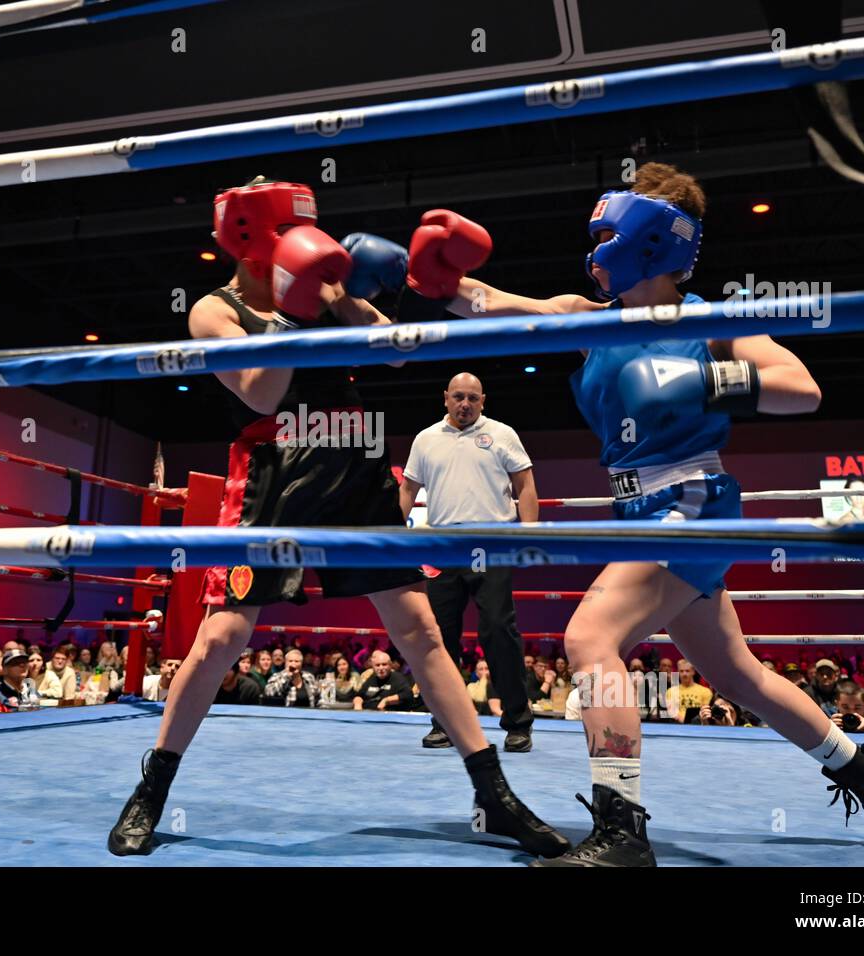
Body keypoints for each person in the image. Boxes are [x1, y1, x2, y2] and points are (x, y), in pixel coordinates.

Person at [403, 162, 864, 865]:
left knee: (589, 639)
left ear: (651, 241)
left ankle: (622, 831)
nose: (596, 247)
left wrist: (706, 377)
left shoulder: (709, 322)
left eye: (608, 231)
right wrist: (439, 281)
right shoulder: (588, 321)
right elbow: (494, 303)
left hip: (693, 500)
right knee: (734, 673)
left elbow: (803, 388)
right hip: (639, 507)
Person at [108, 178, 566, 860]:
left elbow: (396, 343)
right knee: (221, 639)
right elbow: (262, 391)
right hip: (274, 470)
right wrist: (293, 312)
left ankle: (493, 796)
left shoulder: (324, 287)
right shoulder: (214, 310)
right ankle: (150, 791)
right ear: (248, 235)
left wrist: (362, 289)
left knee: (418, 628)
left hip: (353, 456)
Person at [400, 371, 538, 753]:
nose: (465, 404)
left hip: (491, 541)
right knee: (439, 637)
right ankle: (444, 722)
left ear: (483, 400)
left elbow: (525, 486)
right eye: (458, 397)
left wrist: (530, 536)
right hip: (444, 543)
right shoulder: (425, 439)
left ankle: (518, 723)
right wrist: (396, 540)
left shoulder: (502, 434)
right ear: (445, 398)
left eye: (472, 398)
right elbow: (408, 489)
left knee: (498, 629)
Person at [667, 659, 713, 723]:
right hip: (678, 726)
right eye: (681, 671)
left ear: (693, 672)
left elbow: (705, 712)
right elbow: (672, 712)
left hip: (699, 726)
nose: (684, 674)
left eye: (687, 671)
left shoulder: (705, 691)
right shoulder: (671, 691)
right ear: (678, 672)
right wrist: (686, 722)